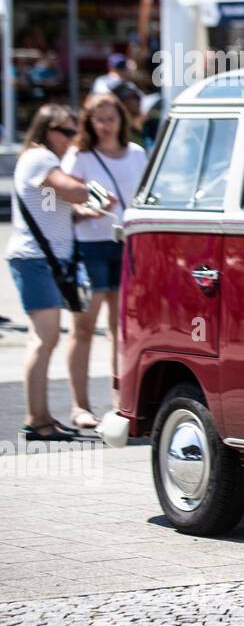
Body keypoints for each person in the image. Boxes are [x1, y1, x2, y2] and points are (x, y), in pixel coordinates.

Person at [5, 104, 116, 441]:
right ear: (45, 129)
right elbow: (69, 189)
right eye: (65, 131)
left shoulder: (41, 162)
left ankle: (42, 418)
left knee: (47, 339)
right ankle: (37, 420)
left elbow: (56, 207)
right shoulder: (41, 158)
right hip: (35, 260)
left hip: (45, 260)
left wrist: (84, 212)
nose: (72, 138)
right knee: (44, 338)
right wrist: (98, 193)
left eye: (73, 131)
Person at [62, 94, 147, 428]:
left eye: (111, 118)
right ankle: (79, 405)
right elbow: (62, 203)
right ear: (88, 122)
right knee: (83, 327)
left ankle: (120, 400)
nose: (106, 125)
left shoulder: (137, 154)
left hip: (127, 243)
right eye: (99, 119)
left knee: (121, 329)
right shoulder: (79, 156)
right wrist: (87, 210)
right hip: (91, 245)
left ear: (122, 119)